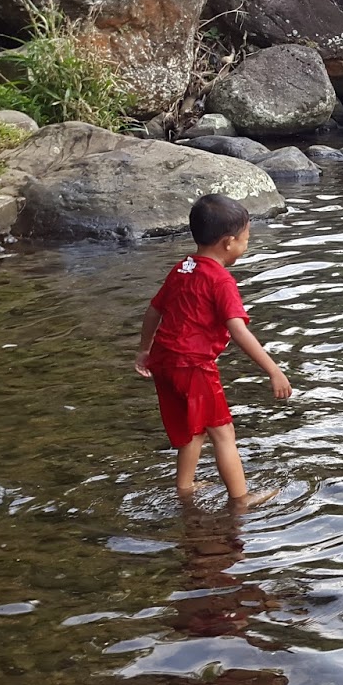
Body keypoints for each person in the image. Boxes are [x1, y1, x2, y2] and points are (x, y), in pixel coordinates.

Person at [135, 194, 292, 499]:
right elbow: (238, 330)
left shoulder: (183, 268)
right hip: (193, 366)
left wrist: (144, 349)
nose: (246, 246)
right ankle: (241, 498)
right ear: (228, 242)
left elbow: (154, 309)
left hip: (163, 361)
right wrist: (273, 370)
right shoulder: (220, 281)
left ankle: (184, 487)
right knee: (223, 433)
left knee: (192, 429)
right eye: (246, 240)